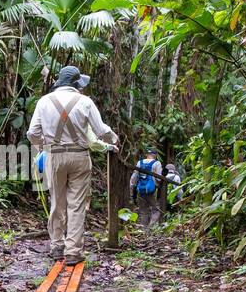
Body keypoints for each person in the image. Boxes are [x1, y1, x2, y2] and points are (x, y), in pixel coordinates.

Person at [26, 65, 118, 264]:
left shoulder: (44, 101)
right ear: (76, 83)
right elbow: (100, 130)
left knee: (57, 202)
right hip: (79, 157)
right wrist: (113, 138)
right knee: (76, 205)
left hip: (54, 156)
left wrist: (43, 145)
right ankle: (73, 251)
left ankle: (57, 245)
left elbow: (32, 133)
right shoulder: (85, 101)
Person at [130, 147, 164, 228]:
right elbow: (159, 178)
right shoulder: (157, 163)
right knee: (155, 209)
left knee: (143, 210)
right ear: (155, 155)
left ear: (147, 154)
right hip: (152, 190)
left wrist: (131, 190)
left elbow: (134, 177)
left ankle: (144, 229)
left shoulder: (139, 163)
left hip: (140, 189)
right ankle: (151, 228)